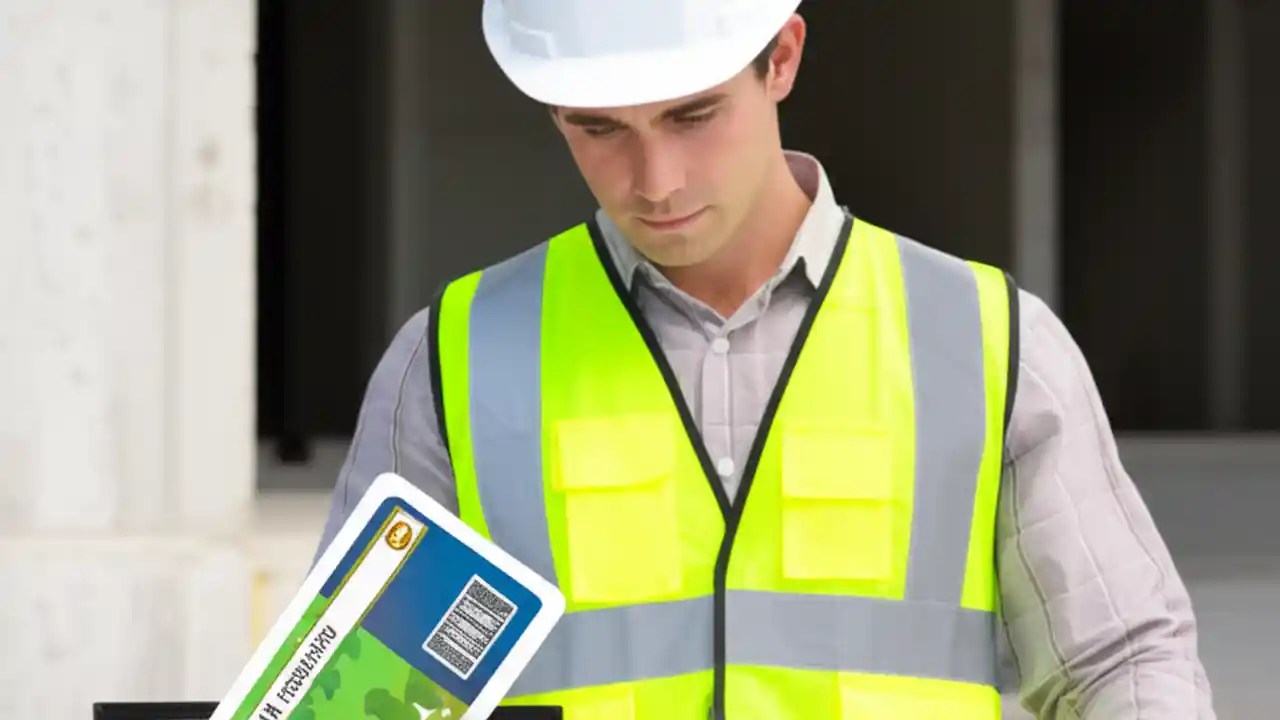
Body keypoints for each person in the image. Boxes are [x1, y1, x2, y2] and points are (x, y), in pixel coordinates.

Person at [315, 1, 1215, 717]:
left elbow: (1120, 663)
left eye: (692, 115)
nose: (655, 179)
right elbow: (368, 703)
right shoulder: (461, 357)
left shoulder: (984, 339)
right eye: (599, 129)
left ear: (781, 58)